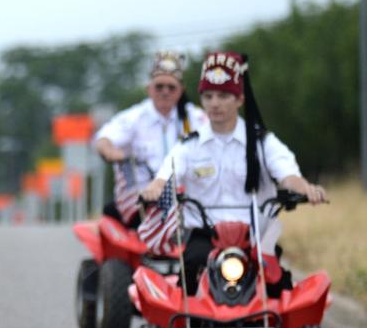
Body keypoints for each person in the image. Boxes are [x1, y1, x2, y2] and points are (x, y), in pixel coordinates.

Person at [140, 51, 326, 295]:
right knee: (187, 281)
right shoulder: (189, 146)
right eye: (208, 96)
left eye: (224, 95)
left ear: (239, 99)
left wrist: (305, 189)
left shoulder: (262, 142)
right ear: (202, 99)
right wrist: (155, 188)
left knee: (280, 288)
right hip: (204, 237)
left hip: (254, 238)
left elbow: (288, 175)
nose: (215, 103)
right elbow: (166, 175)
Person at [94, 51, 207, 227]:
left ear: (181, 90)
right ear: (149, 88)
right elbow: (103, 138)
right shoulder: (134, 118)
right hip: (142, 203)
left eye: (171, 87)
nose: (165, 92)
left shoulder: (195, 118)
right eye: (159, 86)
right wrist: (110, 151)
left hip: (185, 200)